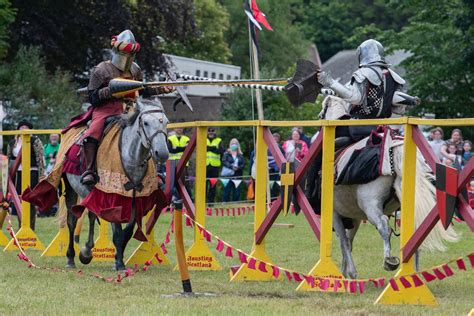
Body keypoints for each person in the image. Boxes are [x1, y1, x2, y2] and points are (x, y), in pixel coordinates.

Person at [80, 29, 173, 186]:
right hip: (106, 109)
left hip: (131, 107)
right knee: (93, 131)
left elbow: (143, 89)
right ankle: (89, 169)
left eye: (130, 54)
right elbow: (92, 97)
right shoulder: (101, 70)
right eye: (124, 53)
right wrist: (110, 91)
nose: (127, 58)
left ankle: (155, 171)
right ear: (116, 50)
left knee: (150, 127)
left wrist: (162, 88)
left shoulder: (135, 69)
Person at [7, 120, 44, 230]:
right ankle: (21, 227)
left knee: (30, 200)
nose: (23, 129)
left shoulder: (35, 141)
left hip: (32, 172)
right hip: (17, 173)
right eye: (21, 127)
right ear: (18, 129)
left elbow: (40, 159)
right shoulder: (12, 142)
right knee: (18, 200)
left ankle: (31, 228)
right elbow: (9, 159)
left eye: (26, 127)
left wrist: (41, 175)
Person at [168, 127, 191, 198]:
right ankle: (173, 199)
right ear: (174, 129)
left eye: (181, 128)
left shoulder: (187, 139)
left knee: (184, 183)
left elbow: (188, 149)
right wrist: (183, 148)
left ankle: (187, 199)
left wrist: (176, 148)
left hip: (184, 164)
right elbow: (171, 150)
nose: (179, 129)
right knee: (172, 183)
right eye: (177, 128)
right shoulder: (170, 138)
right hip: (172, 164)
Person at [206, 127, 225, 203]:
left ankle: (211, 202)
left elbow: (221, 151)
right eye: (209, 131)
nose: (211, 132)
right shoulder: (204, 139)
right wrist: (214, 148)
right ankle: (204, 201)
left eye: (212, 131)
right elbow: (201, 150)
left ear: (215, 131)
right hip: (205, 165)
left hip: (215, 166)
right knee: (204, 185)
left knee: (213, 185)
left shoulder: (219, 140)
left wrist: (208, 148)